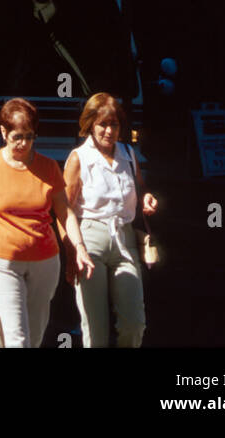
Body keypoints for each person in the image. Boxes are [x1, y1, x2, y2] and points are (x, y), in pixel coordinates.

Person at [0, 98, 94, 348]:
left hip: (45, 263)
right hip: (0, 262)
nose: (24, 143)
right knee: (18, 340)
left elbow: (65, 212)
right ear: (3, 132)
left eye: (29, 136)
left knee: (35, 337)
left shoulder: (49, 168)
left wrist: (80, 247)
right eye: (17, 136)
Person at [63, 92, 158, 348]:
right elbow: (65, 209)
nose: (108, 131)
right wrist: (72, 253)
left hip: (125, 240)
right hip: (90, 238)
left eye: (114, 124)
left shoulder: (129, 154)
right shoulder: (78, 158)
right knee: (96, 331)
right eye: (102, 124)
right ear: (90, 125)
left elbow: (140, 188)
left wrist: (146, 198)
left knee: (134, 324)